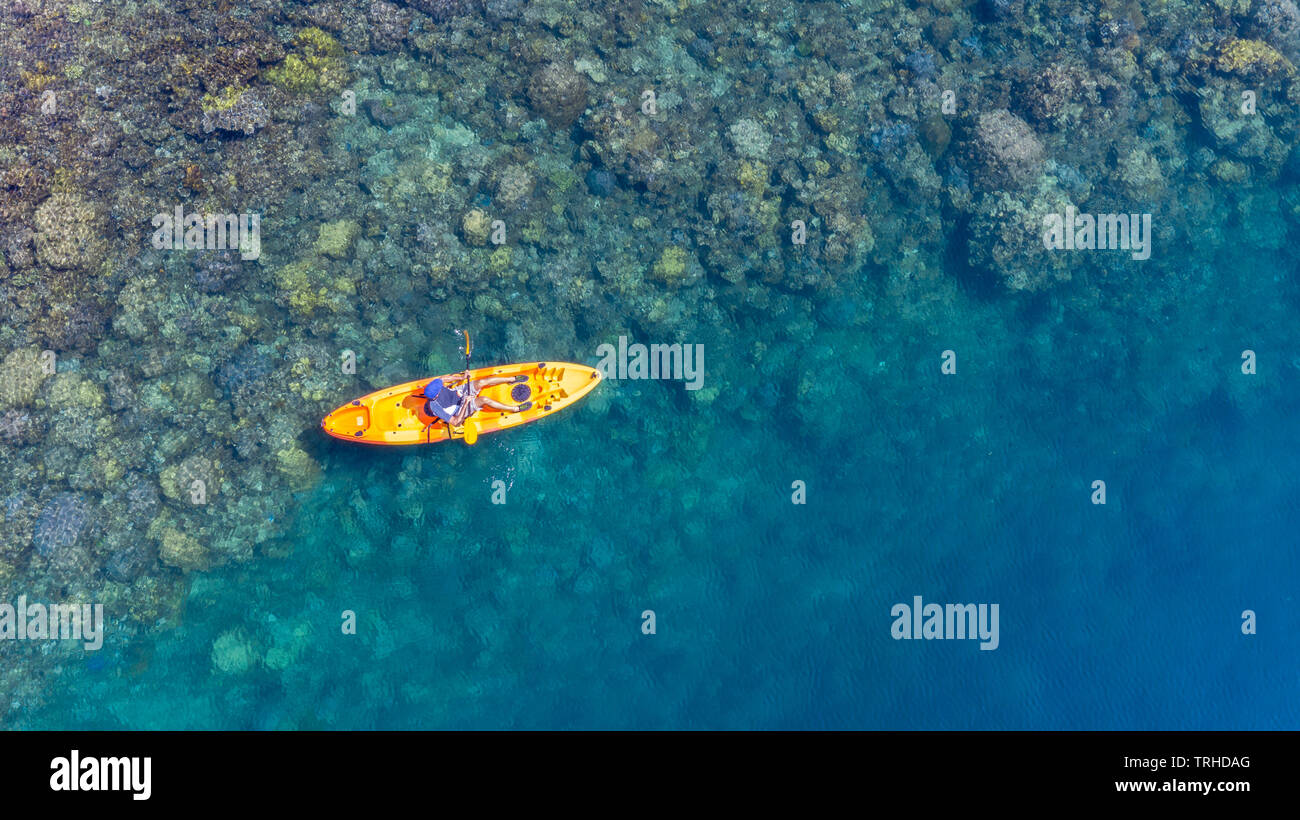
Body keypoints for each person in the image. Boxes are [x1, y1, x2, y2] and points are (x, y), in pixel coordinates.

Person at [420, 371, 531, 429]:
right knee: (484, 399)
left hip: (458, 393)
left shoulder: (435, 386)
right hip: (459, 410)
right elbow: (456, 422)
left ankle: (511, 379)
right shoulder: (436, 407)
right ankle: (514, 409)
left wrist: (462, 378)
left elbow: (443, 379)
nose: (440, 384)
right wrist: (465, 404)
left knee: (481, 383)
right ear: (436, 394)